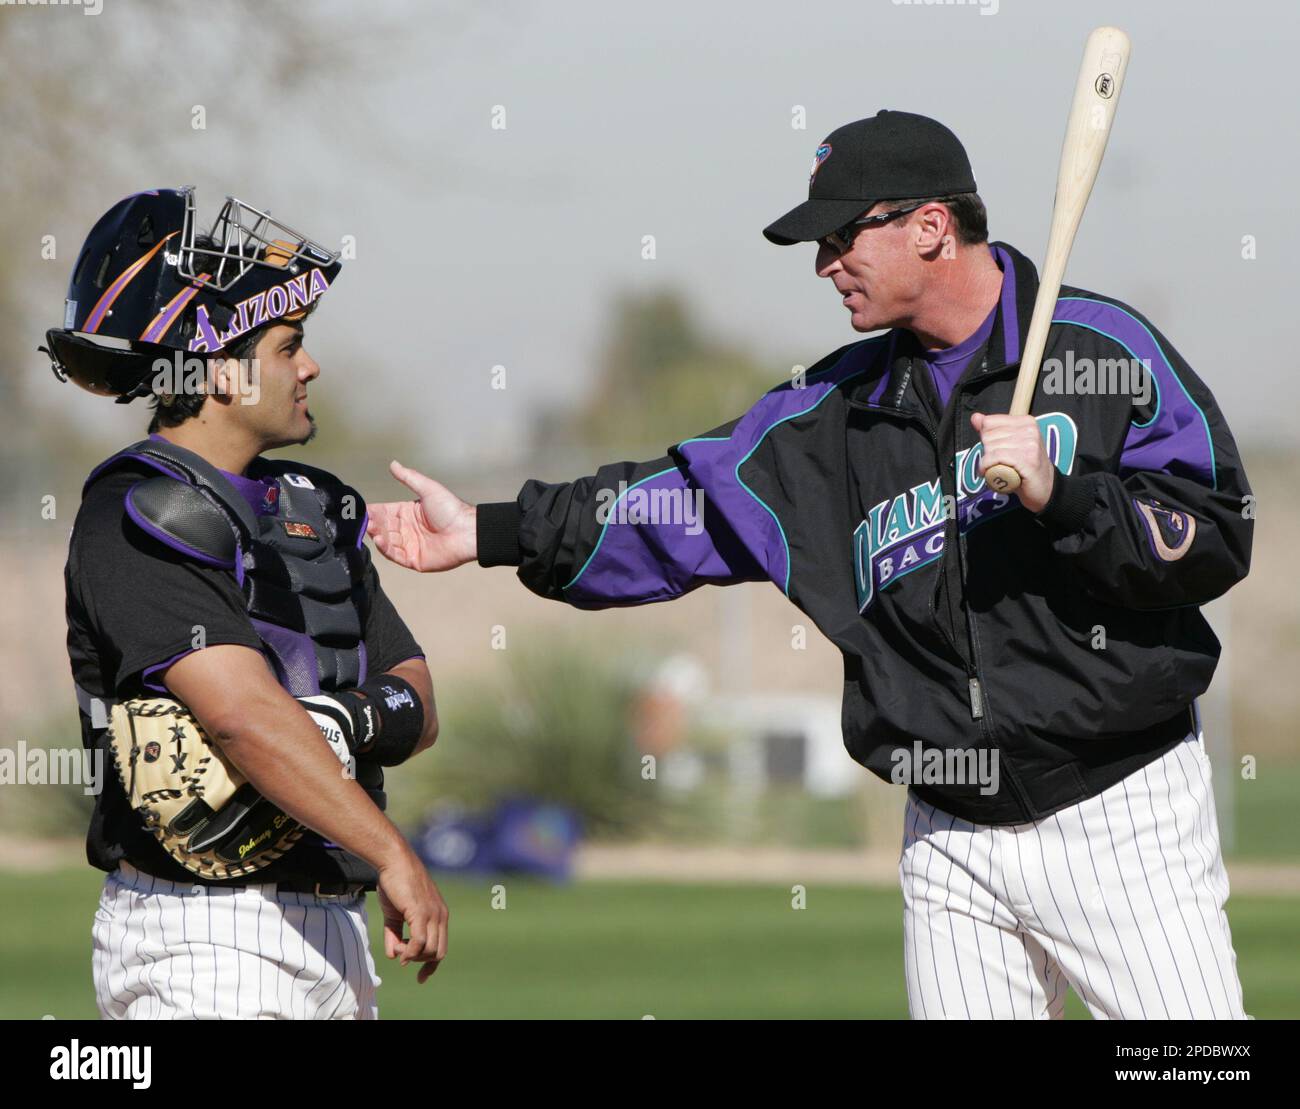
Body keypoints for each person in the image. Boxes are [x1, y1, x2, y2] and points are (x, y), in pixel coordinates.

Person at [365, 111, 1253, 1019]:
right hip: (947, 830)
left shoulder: (1102, 353)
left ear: (930, 227)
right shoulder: (832, 410)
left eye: (840, 236)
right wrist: (491, 529)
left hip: (1117, 805)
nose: (824, 263)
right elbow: (680, 505)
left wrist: (1061, 494)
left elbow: (1217, 534)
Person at [50, 187, 448, 1019]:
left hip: (332, 924)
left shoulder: (317, 504)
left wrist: (332, 726)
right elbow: (237, 716)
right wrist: (392, 853)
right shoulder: (135, 513)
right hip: (202, 931)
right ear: (219, 368)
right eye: (288, 345)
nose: (309, 366)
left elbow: (418, 694)